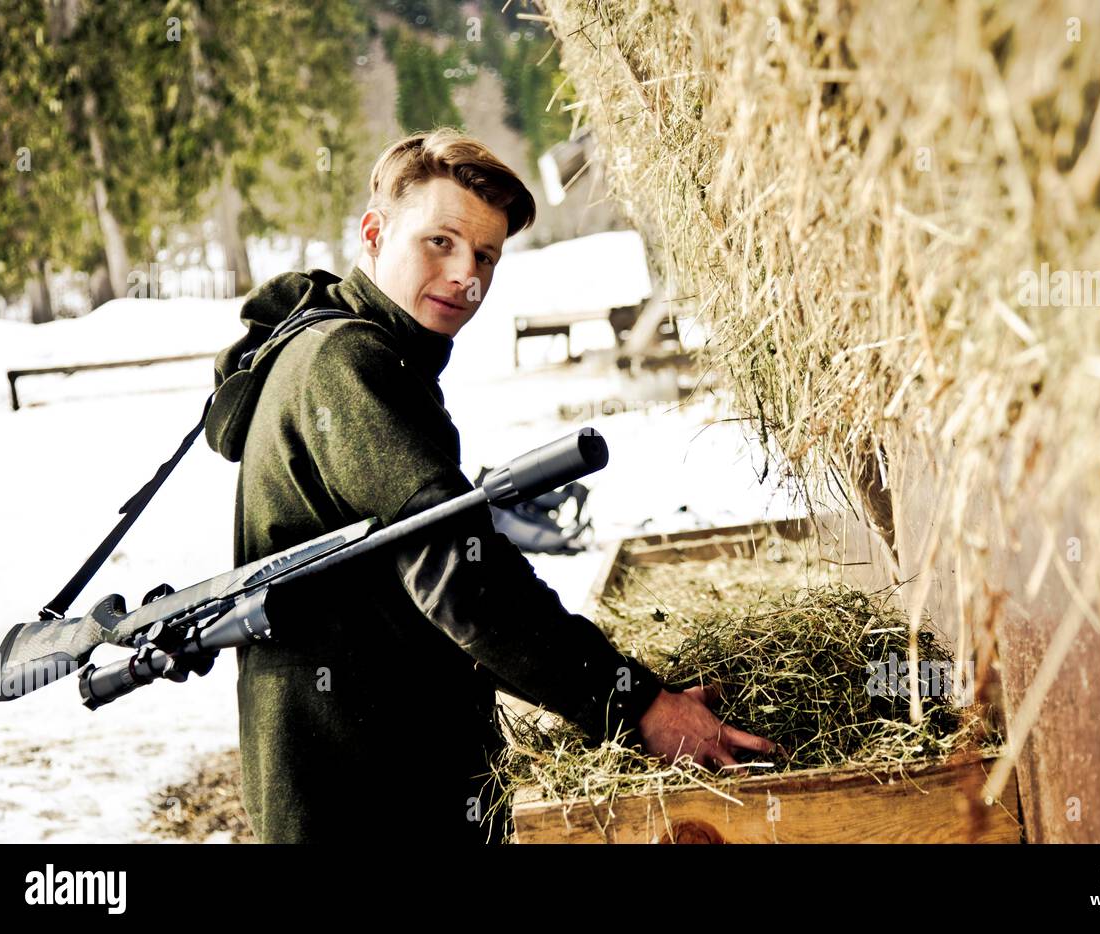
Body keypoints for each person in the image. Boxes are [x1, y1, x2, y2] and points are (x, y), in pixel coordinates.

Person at [206, 128, 774, 844]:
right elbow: (464, 585)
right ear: (374, 233)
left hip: (363, 777)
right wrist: (638, 705)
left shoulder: (357, 352)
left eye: (486, 256)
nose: (466, 276)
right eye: (439, 242)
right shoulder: (347, 364)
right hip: (365, 794)